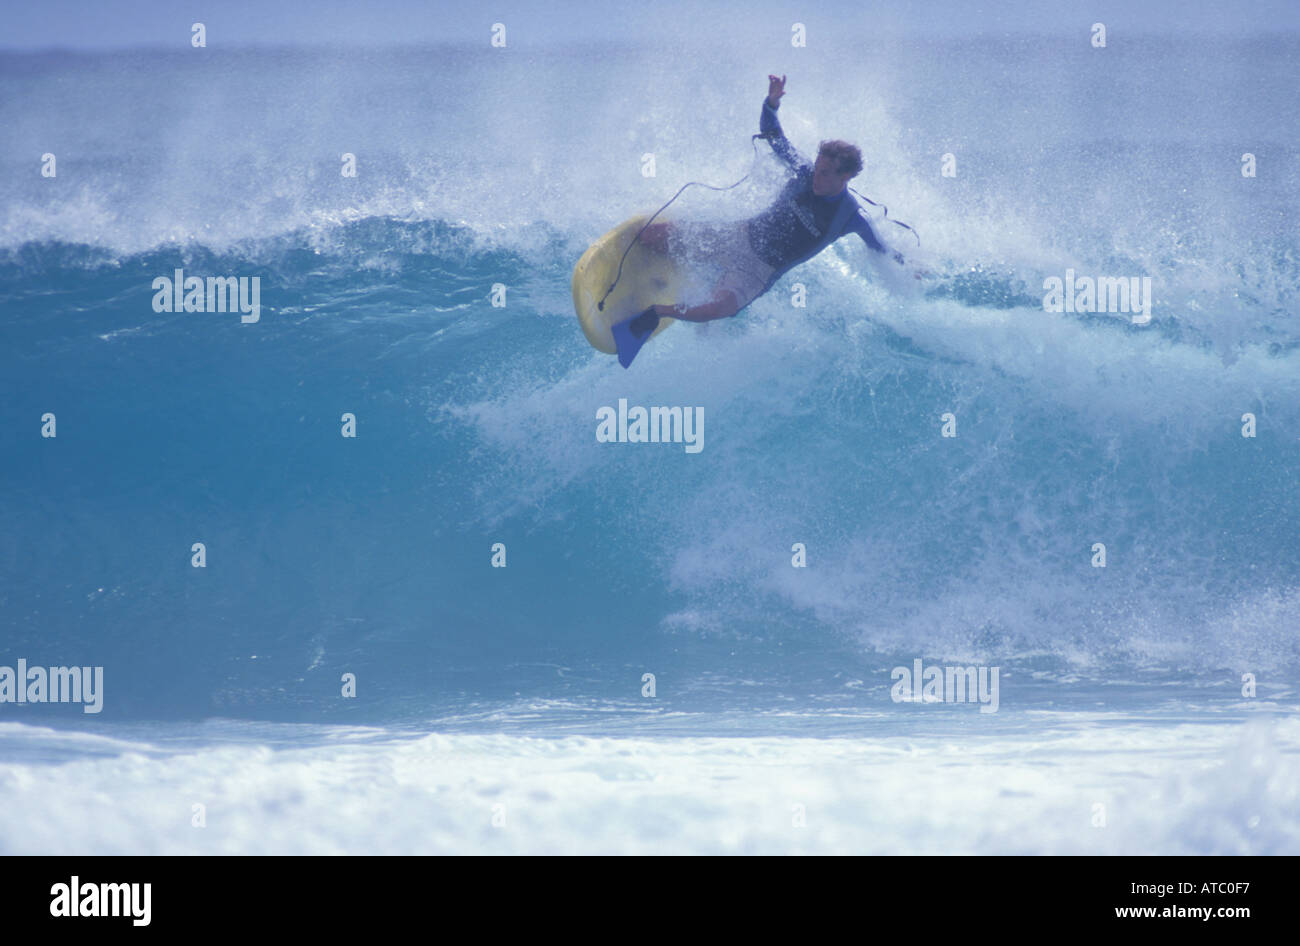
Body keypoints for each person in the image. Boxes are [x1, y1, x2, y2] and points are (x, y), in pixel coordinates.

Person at [611, 73, 910, 367]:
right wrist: (771, 103)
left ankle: (657, 312)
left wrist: (908, 269)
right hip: (739, 235)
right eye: (817, 169)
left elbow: (880, 248)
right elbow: (773, 136)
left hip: (758, 271)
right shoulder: (805, 172)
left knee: (719, 309)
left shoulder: (851, 216)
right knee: (648, 235)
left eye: (826, 174)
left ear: (845, 177)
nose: (816, 177)